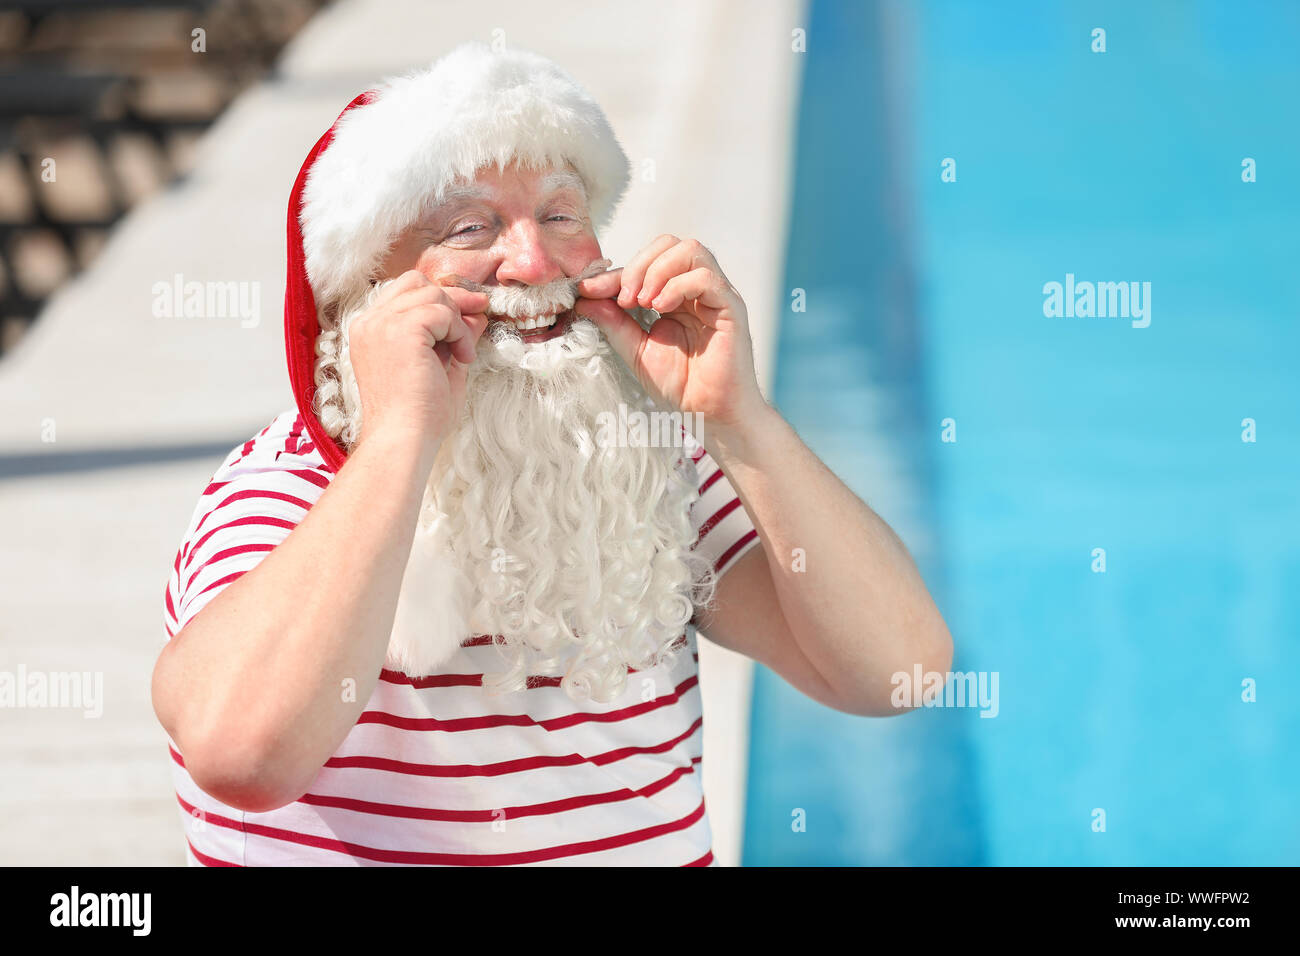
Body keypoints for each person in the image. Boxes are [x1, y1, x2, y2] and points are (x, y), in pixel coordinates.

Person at [151, 41, 952, 867]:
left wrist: (740, 418)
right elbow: (241, 756)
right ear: (363, 296)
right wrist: (400, 438)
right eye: (470, 228)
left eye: (562, 215)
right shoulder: (281, 496)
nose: (534, 265)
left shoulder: (644, 466)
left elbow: (899, 673)